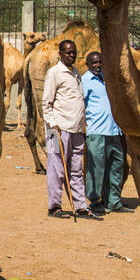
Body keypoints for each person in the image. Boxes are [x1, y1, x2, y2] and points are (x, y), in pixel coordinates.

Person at [42, 39, 99, 219]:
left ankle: (80, 206)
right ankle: (54, 206)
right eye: (68, 52)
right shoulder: (54, 73)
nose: (71, 55)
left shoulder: (75, 73)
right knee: (56, 168)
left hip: (76, 129)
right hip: (57, 129)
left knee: (76, 170)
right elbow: (46, 102)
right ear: (60, 54)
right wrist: (53, 123)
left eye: (73, 52)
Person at [81, 51, 125, 213]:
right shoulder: (85, 81)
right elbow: (81, 105)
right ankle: (94, 200)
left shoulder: (108, 79)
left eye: (100, 62)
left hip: (114, 130)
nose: (98, 65)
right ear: (88, 65)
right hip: (97, 131)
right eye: (94, 63)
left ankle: (113, 200)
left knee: (116, 166)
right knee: (96, 168)